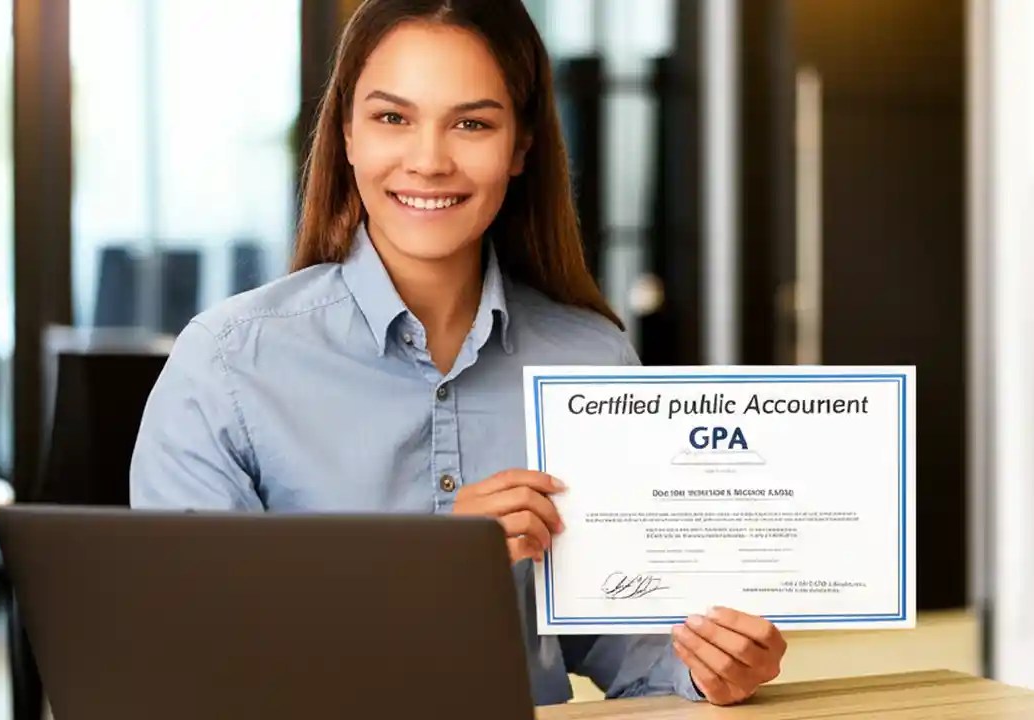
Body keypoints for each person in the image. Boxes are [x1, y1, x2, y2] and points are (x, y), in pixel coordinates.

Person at [130, 0, 786, 707]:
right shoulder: (226, 367)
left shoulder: (591, 360)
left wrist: (707, 662)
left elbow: (617, 637)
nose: (430, 160)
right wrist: (434, 566)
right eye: (393, 118)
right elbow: (196, 659)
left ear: (520, 145)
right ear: (347, 132)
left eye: (472, 123)